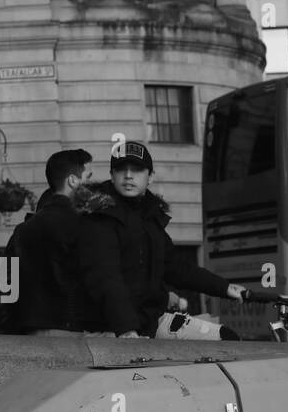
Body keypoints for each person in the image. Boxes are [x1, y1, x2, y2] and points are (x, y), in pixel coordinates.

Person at [76, 142, 245, 338]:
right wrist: (126, 329)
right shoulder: (98, 218)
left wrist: (224, 287)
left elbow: (176, 268)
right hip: (108, 329)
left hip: (150, 322)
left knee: (225, 338)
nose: (128, 175)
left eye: (137, 170)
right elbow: (105, 277)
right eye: (121, 169)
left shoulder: (150, 217)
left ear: (151, 177)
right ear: (112, 176)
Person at [0, 149, 94, 335]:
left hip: (31, 329)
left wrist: (4, 328)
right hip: (72, 328)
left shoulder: (24, 229)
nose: (91, 186)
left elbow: (5, 285)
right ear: (73, 180)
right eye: (88, 177)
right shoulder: (83, 224)